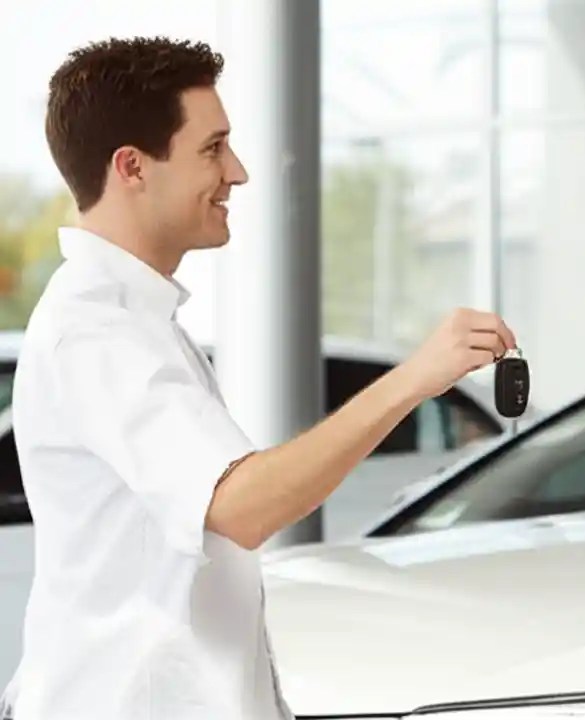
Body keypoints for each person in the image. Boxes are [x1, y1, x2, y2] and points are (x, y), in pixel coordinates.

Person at [0, 38, 516, 720]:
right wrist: (414, 379)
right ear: (131, 167)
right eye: (212, 148)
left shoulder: (137, 322)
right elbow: (243, 505)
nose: (237, 172)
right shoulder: (98, 331)